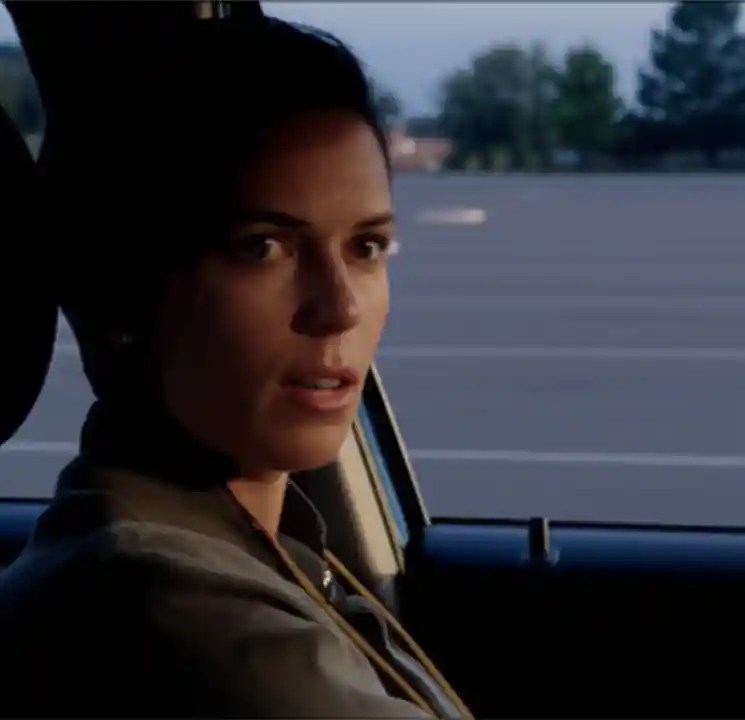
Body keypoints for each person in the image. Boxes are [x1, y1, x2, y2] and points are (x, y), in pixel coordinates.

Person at [0, 15, 471, 719]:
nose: (339, 307)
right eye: (263, 248)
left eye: (366, 247)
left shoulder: (226, 551)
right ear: (128, 286)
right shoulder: (194, 630)